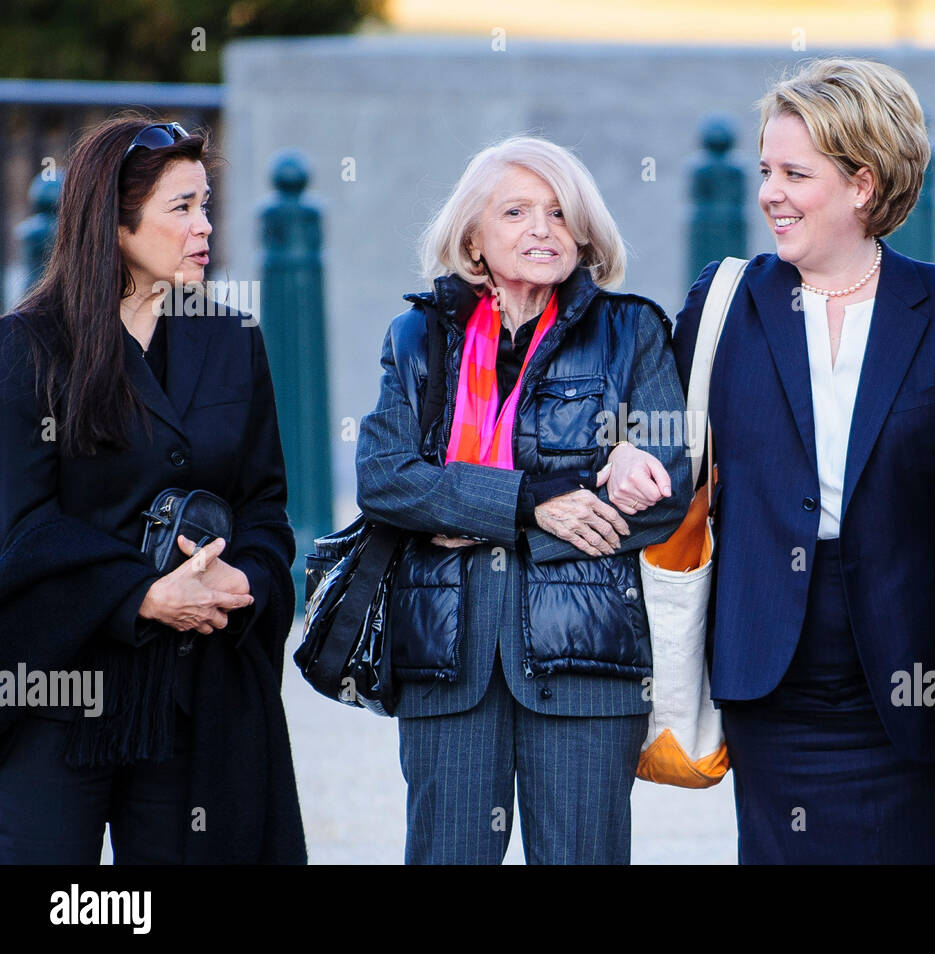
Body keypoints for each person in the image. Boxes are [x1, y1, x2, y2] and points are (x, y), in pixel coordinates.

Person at [672, 58, 935, 864]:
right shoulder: (724, 305)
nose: (770, 193)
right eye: (766, 171)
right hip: (768, 669)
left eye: (797, 173)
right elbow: (666, 448)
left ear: (863, 185)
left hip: (914, 677)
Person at [355, 135, 691, 865]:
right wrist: (532, 504)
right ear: (473, 235)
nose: (543, 229)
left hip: (586, 663)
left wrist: (466, 514)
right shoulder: (417, 336)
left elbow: (669, 491)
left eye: (560, 214)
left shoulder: (632, 331)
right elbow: (384, 479)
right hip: (448, 659)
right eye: (517, 212)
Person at [0, 116, 306, 863]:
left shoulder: (234, 340)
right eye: (181, 208)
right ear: (113, 220)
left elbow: (267, 509)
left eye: (207, 206)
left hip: (194, 689)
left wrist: (244, 581)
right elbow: (19, 528)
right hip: (57, 688)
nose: (204, 227)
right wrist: (138, 595)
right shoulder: (27, 346)